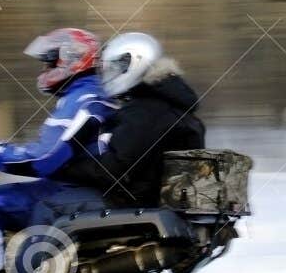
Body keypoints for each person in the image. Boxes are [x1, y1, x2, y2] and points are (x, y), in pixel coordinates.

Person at [0, 28, 113, 273]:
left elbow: (44, 159)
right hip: (74, 186)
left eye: (48, 64)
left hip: (73, 190)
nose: (44, 71)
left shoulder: (84, 100)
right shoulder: (86, 95)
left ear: (71, 59)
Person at [60, 31, 205, 208]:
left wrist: (65, 165)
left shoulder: (145, 111)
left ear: (133, 64)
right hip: (156, 201)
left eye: (115, 68)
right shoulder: (172, 104)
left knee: (46, 205)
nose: (110, 75)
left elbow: (113, 171)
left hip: (136, 203)